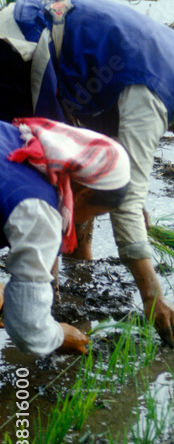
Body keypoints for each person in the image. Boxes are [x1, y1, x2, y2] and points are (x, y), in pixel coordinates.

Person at [0, 0, 174, 347]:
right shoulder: (154, 97)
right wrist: (152, 295)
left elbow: (105, 160)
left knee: (72, 184)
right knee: (33, 187)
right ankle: (35, 310)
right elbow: (126, 199)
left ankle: (60, 278)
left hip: (46, 42)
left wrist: (124, 200)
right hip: (19, 49)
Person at [0, 117, 131, 357]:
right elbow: (28, 331)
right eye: (96, 213)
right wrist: (59, 336)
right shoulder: (40, 211)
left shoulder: (18, 139)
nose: (89, 220)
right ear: (84, 194)